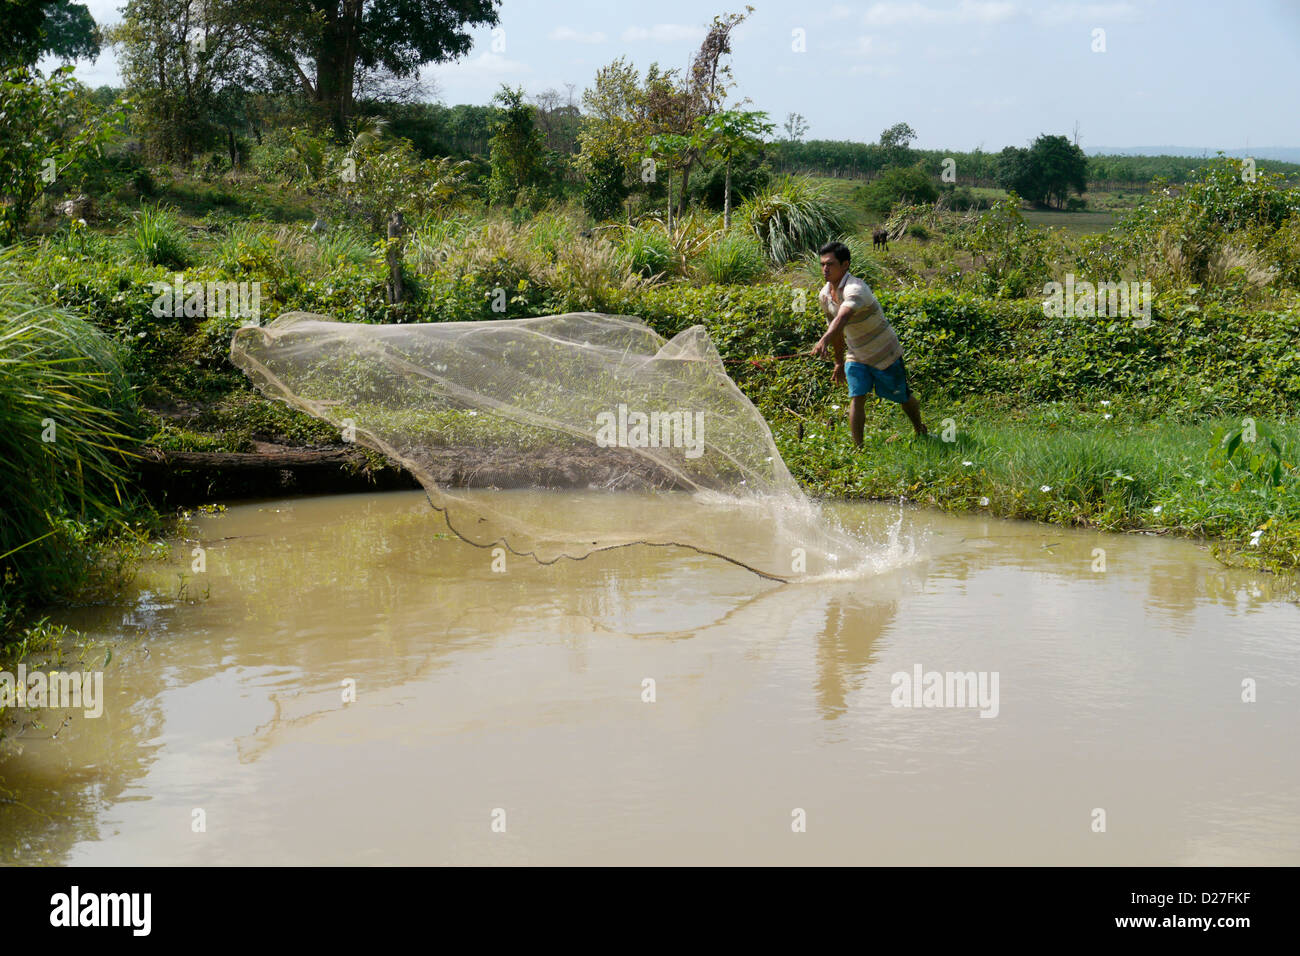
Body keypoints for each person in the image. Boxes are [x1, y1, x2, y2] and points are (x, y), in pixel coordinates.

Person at [809, 241, 927, 445]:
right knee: (857, 397)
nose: (825, 269)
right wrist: (838, 362)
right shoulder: (825, 295)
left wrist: (824, 340)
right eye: (822, 264)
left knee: (902, 395)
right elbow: (837, 332)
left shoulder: (856, 288)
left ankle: (920, 430)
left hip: (884, 351)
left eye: (830, 264)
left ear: (845, 265)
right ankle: (859, 448)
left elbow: (842, 318)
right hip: (856, 354)